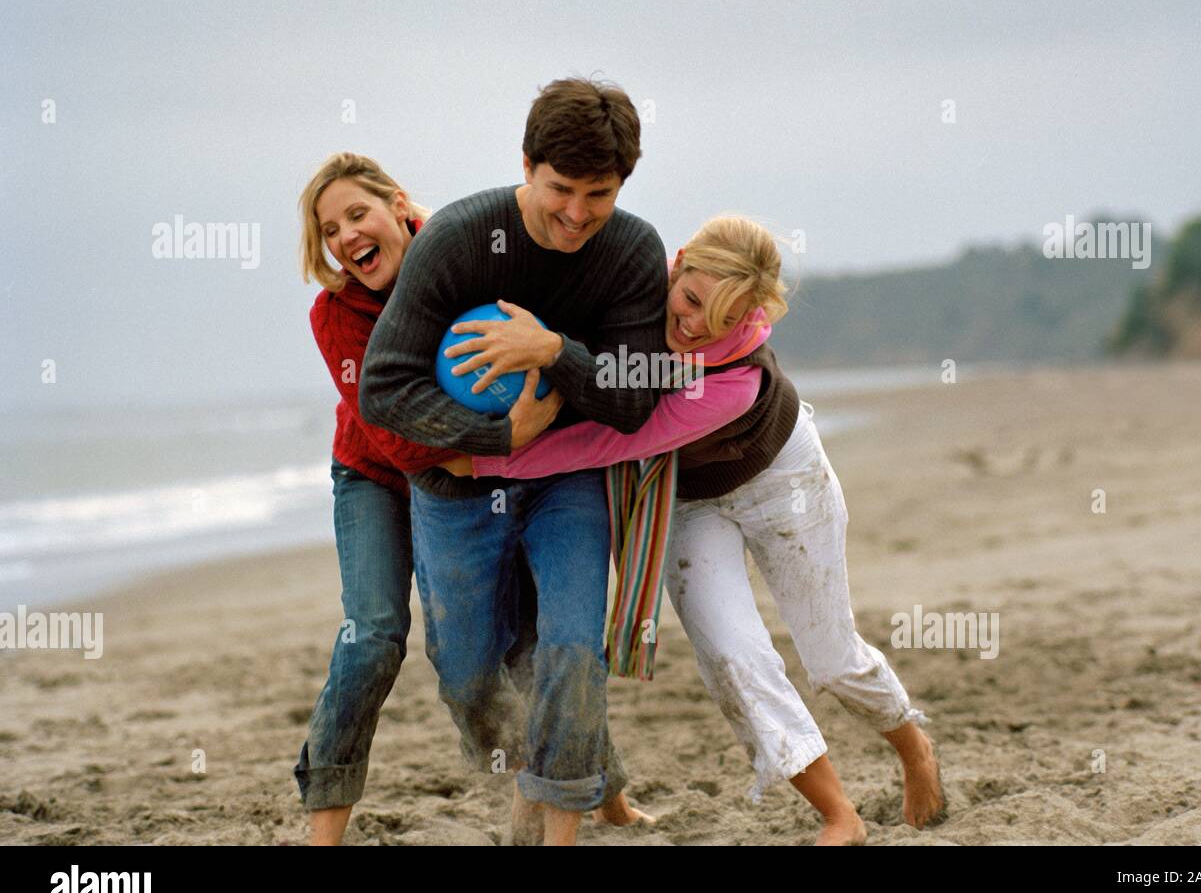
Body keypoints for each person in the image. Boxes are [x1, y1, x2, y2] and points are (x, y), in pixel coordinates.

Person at [449, 215, 946, 845]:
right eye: (688, 300)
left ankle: (913, 748)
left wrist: (489, 459)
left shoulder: (734, 380)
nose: (692, 326)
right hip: (687, 499)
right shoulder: (634, 290)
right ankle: (839, 815)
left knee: (833, 660)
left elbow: (610, 438)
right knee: (734, 658)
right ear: (678, 262)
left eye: (720, 319)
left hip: (783, 479)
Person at [291, 152, 632, 845]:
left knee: (540, 643)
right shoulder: (334, 314)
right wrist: (507, 435)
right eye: (329, 230)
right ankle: (323, 830)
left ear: (398, 204)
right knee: (373, 639)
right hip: (383, 475)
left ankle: (607, 797)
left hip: (486, 470)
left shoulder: (462, 260)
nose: (346, 236)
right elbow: (400, 443)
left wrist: (530, 424)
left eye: (358, 213)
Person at [359, 77, 663, 846]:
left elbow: (634, 397)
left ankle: (554, 828)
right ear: (526, 166)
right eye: (560, 189)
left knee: (568, 647)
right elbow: (384, 388)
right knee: (467, 674)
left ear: (622, 183)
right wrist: (500, 436)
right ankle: (568, 776)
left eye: (598, 194)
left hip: (567, 481)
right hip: (458, 487)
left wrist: (552, 351)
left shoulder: (631, 250)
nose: (575, 213)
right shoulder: (459, 239)